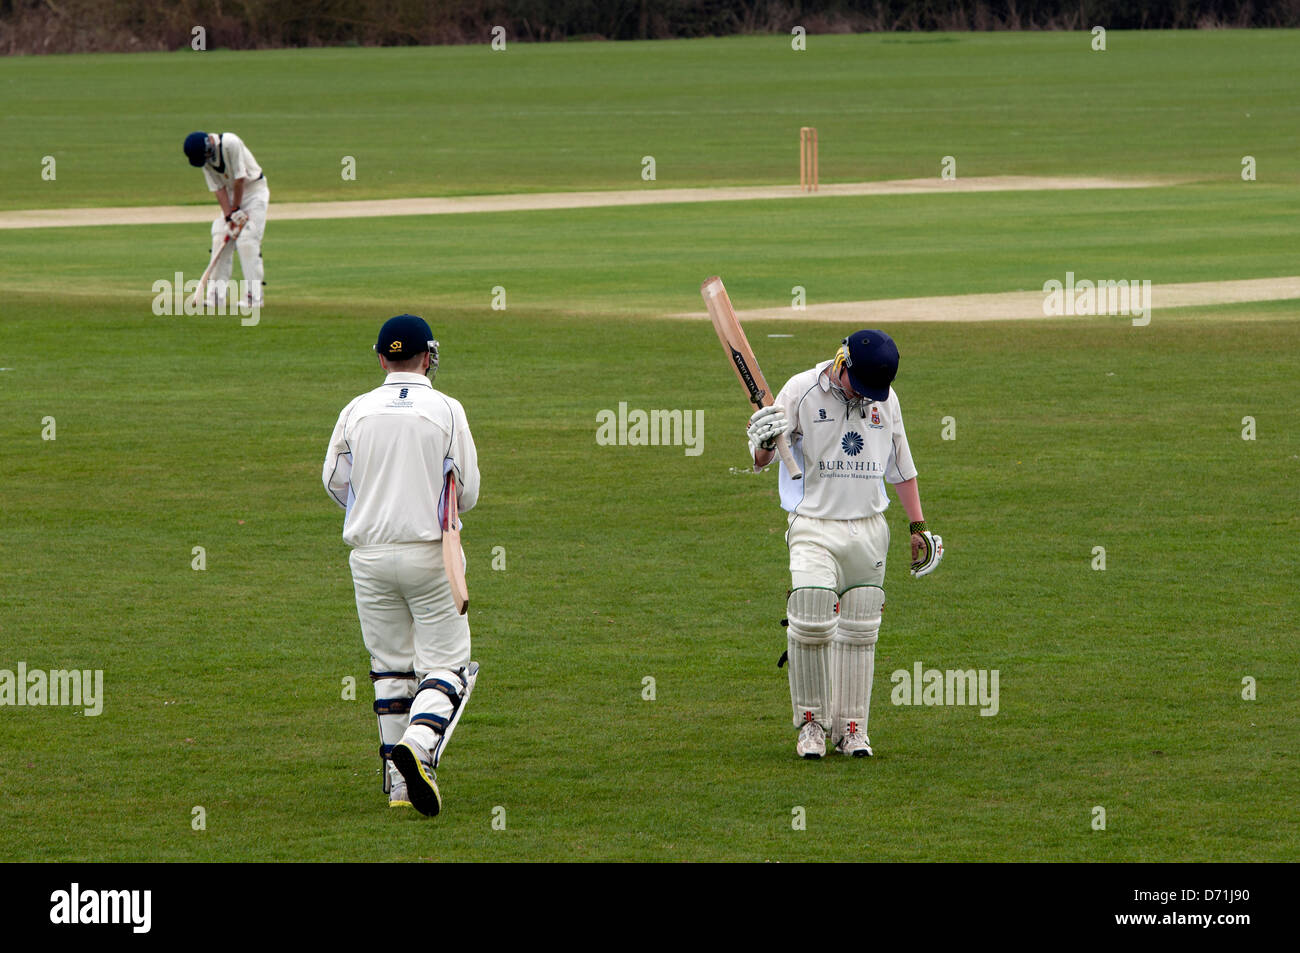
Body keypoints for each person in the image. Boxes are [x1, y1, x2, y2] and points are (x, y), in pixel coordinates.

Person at [746, 329, 943, 759]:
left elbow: (902, 468)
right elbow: (765, 458)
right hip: (813, 524)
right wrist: (761, 442)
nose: (870, 396)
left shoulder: (885, 400)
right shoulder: (801, 389)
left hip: (869, 528)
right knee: (812, 614)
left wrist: (918, 525)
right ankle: (812, 725)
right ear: (842, 363)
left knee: (860, 630)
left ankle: (853, 728)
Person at [322, 314, 480, 816]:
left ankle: (398, 787)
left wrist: (374, 506)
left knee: (390, 671)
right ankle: (419, 742)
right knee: (449, 666)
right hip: (428, 553)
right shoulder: (446, 408)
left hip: (367, 555)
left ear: (380, 357)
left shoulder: (356, 409)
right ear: (428, 356)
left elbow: (333, 481)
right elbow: (469, 493)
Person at [182, 131, 268, 309]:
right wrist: (229, 216)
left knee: (247, 240)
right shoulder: (205, 161)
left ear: (208, 147)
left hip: (254, 192)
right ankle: (216, 296)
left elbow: (240, 179)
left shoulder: (230, 143)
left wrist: (236, 209)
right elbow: (218, 188)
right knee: (220, 236)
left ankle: (254, 297)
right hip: (230, 196)